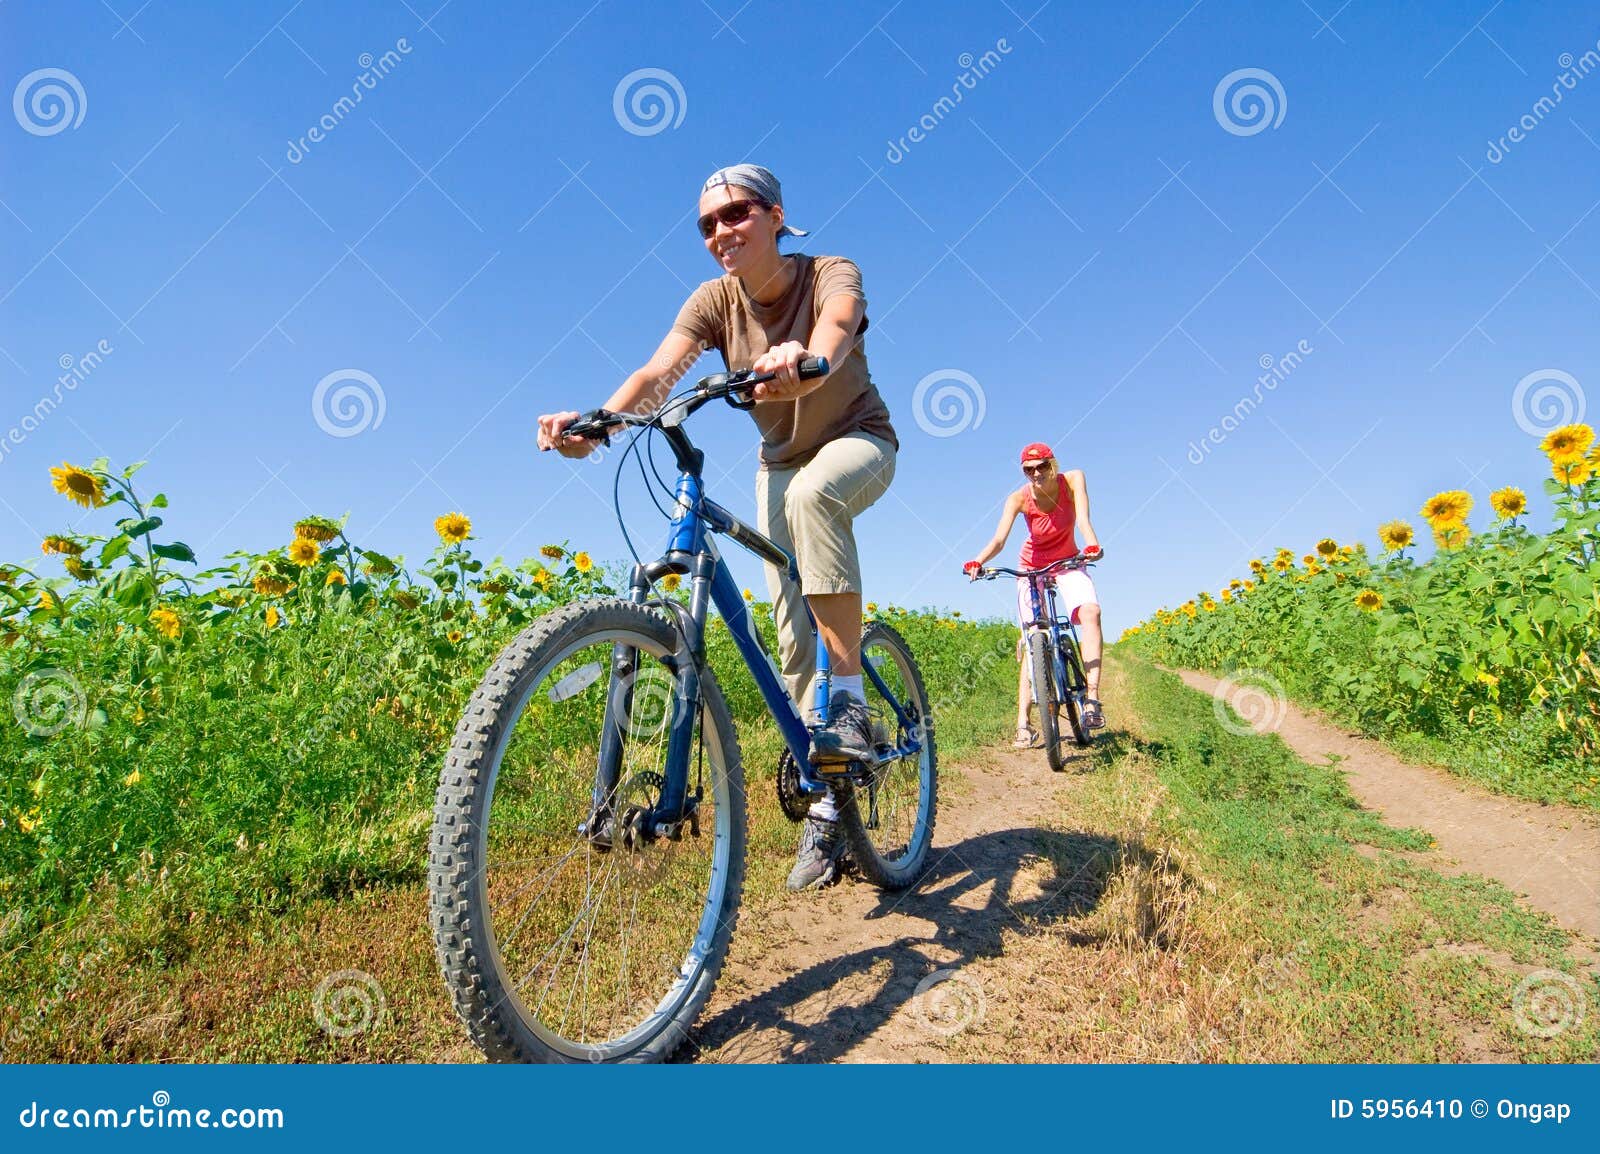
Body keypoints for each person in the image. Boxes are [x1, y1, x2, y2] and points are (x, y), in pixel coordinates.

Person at [536, 163, 897, 891]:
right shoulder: (713, 301)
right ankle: (831, 803)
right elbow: (657, 372)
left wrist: (802, 358)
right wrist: (597, 420)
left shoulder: (829, 269)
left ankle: (854, 704)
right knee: (793, 634)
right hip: (779, 461)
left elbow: (837, 322)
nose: (720, 233)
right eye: (707, 224)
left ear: (775, 216)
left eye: (735, 215)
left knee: (815, 498)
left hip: (859, 440)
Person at [963, 443, 1105, 747]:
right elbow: (1000, 539)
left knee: (1091, 612)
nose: (1036, 473)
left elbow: (1082, 520)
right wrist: (978, 560)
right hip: (1032, 568)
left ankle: (1091, 698)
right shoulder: (1019, 499)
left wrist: (1092, 545)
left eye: (1042, 466)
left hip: (1067, 562)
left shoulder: (1073, 480)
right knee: (1032, 639)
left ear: (1052, 464)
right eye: (1029, 469)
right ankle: (1023, 725)